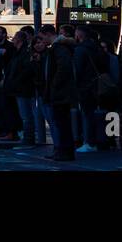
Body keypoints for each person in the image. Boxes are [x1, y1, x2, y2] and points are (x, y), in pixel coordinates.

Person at [42, 24, 78, 161]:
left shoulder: (58, 48)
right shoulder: (57, 48)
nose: (42, 40)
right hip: (61, 91)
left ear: (47, 34)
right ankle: (64, 151)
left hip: (60, 92)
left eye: (42, 37)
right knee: (62, 123)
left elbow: (63, 68)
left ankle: (64, 151)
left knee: (61, 123)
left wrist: (54, 85)